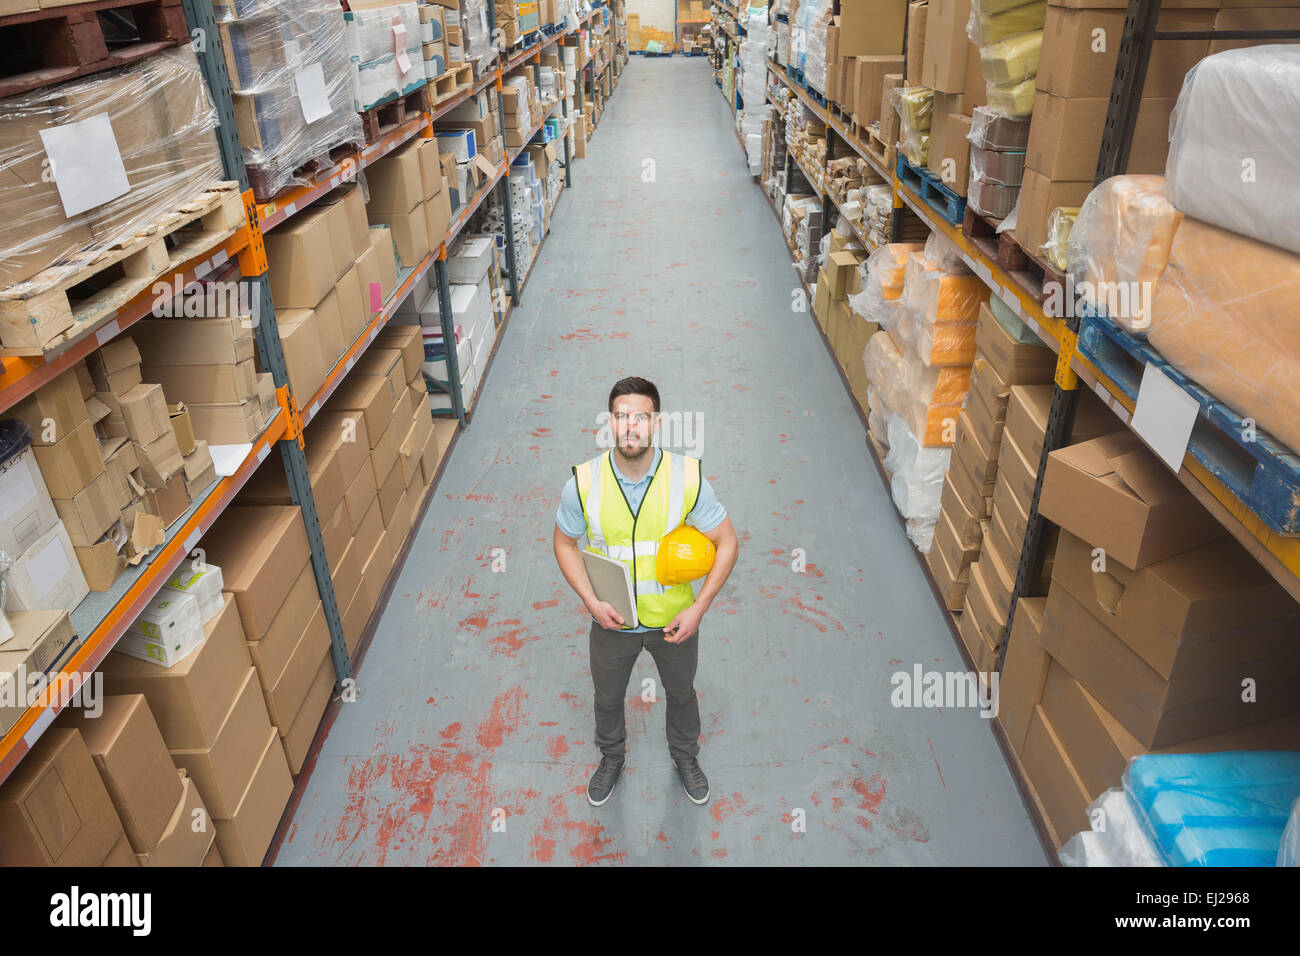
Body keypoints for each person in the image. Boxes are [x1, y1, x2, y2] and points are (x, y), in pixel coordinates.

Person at [553, 377, 739, 807]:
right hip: (611, 620)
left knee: (681, 693)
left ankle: (685, 757)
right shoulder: (583, 481)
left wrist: (699, 609)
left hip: (675, 620)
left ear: (656, 423)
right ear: (609, 422)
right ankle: (611, 758)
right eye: (621, 417)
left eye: (641, 417)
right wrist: (590, 601)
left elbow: (727, 542)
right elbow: (564, 543)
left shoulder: (686, 477)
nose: (630, 427)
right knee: (607, 697)